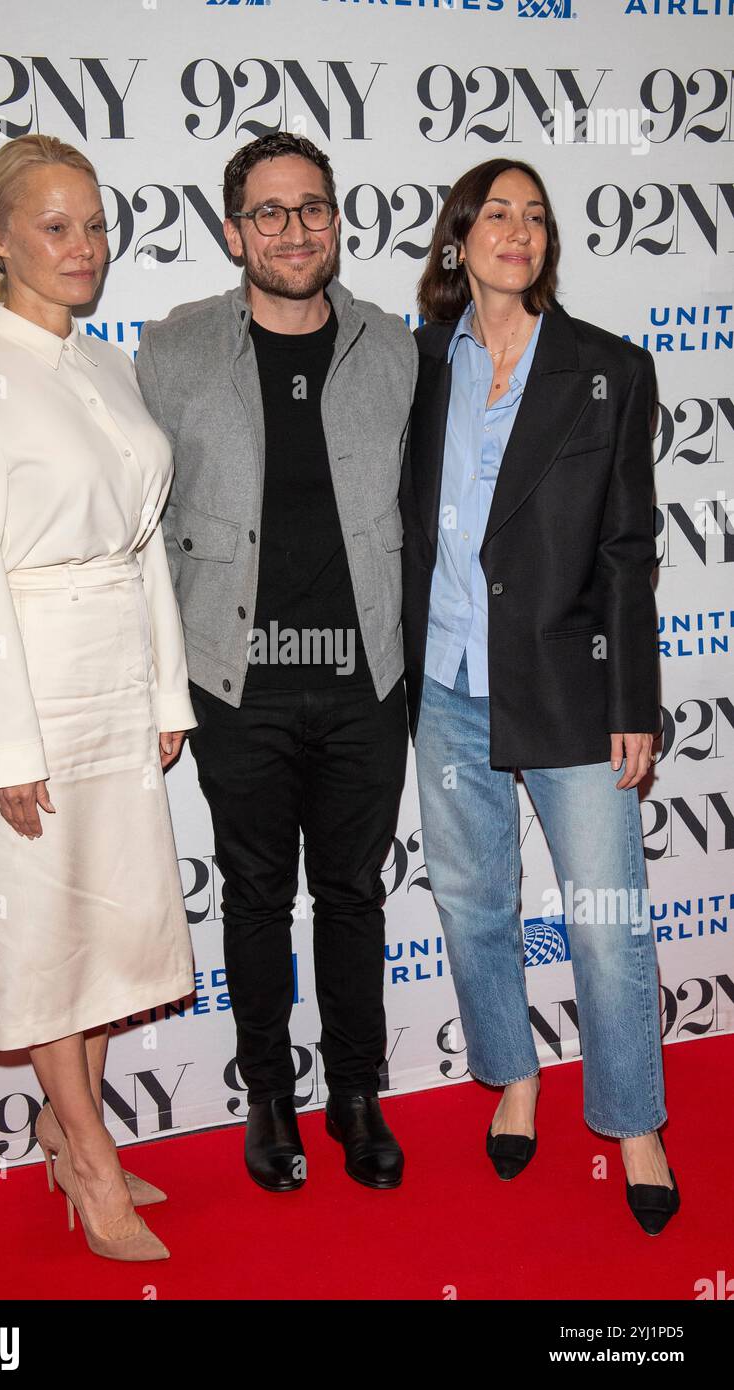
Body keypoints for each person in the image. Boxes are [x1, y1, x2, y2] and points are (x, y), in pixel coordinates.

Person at [0, 134, 196, 1261]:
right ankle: (86, 1156)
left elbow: (143, 551)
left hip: (118, 673)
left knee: (102, 920)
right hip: (34, 676)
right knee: (46, 927)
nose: (81, 246)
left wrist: (167, 688)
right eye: (54, 226)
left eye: (93, 224)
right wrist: (4, 747)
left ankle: (60, 1118)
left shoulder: (105, 365)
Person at [400, 157, 680, 1235]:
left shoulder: (607, 367)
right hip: (445, 682)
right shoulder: (420, 360)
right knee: (474, 906)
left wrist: (632, 700)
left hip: (568, 684)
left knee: (605, 920)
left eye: (533, 216)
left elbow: (626, 546)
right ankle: (511, 1075)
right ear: (457, 240)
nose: (516, 230)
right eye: (494, 214)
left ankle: (632, 1119)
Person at [136, 133, 417, 1193]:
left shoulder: (391, 348)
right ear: (231, 232)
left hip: (363, 688)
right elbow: (148, 535)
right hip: (234, 687)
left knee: (352, 898)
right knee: (254, 899)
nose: (292, 229)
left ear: (336, 221)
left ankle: (356, 1094)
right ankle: (268, 1098)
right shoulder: (172, 352)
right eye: (268, 212)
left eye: (311, 209)